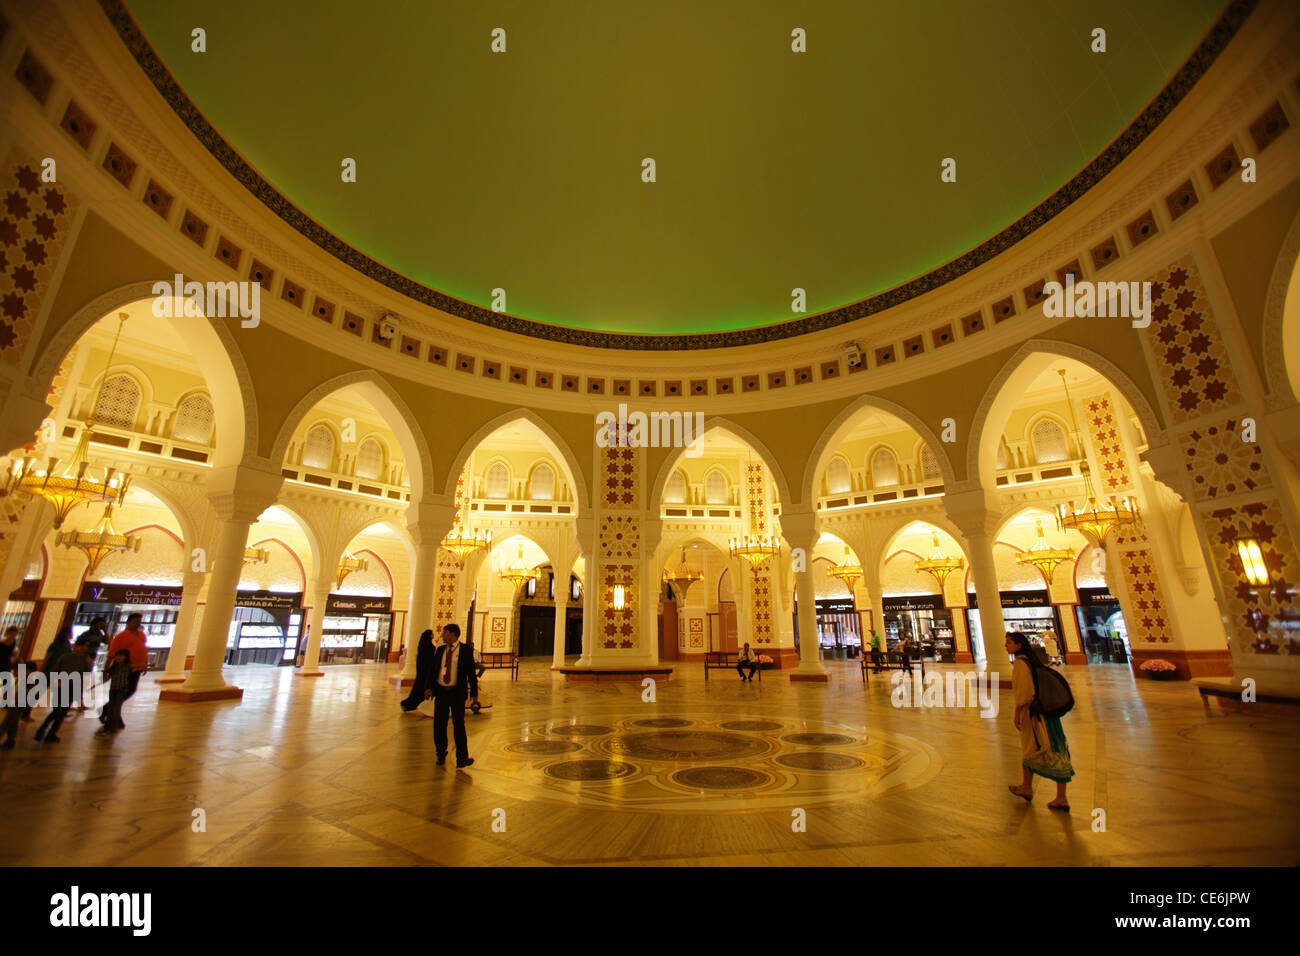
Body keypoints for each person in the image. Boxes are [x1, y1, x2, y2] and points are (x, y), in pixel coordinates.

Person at [1005, 631, 1073, 811]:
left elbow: (1024, 693)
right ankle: (1054, 794)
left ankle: (1036, 789)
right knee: (1056, 749)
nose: (1006, 645)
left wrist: (1017, 712)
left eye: (1009, 642)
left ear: (1019, 645)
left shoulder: (1020, 664)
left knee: (1032, 748)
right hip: (1047, 714)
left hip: (1034, 715)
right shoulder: (1031, 661)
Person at [425, 624, 478, 768]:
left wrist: (474, 694)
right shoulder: (441, 650)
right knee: (439, 724)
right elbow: (433, 670)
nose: (442, 635)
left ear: (453, 634)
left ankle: (462, 758)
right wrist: (429, 688)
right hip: (441, 692)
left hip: (457, 693)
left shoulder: (466, 651)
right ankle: (440, 753)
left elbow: (471, 674)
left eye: (445, 632)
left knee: (459, 724)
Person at [35, 638, 93, 743]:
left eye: (86, 646)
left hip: (73, 688)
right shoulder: (65, 657)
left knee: (62, 713)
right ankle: (42, 730)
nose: (83, 648)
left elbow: (86, 674)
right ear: (75, 646)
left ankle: (50, 733)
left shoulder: (85, 659)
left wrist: (90, 665)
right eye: (82, 645)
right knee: (57, 711)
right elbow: (54, 670)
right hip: (61, 687)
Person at [101, 613, 148, 725]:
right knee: (121, 692)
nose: (138, 623)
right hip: (124, 670)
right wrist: (106, 670)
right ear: (129, 622)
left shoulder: (141, 634)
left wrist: (144, 663)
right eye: (136, 621)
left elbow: (143, 649)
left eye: (139, 621)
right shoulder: (121, 637)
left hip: (137, 668)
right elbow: (111, 654)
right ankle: (109, 712)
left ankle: (110, 711)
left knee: (130, 690)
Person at [97, 649, 132, 735]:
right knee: (111, 708)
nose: (118, 657)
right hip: (113, 689)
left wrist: (147, 665)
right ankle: (108, 727)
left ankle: (112, 728)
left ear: (126, 657)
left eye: (121, 655)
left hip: (121, 690)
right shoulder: (114, 667)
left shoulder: (126, 666)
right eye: (117, 655)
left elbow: (135, 665)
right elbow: (108, 676)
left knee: (116, 709)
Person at [400, 628, 436, 712]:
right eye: (432, 633)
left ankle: (410, 704)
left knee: (418, 688)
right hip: (426, 671)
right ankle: (411, 704)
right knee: (421, 688)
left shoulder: (422, 646)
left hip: (421, 670)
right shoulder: (430, 647)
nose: (433, 635)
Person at [0, 626, 20, 748]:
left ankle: (5, 699)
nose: (14, 635)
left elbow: (13, 654)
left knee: (8, 682)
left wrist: (13, 659)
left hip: (5, 664)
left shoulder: (13, 643)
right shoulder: (2, 642)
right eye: (13, 633)